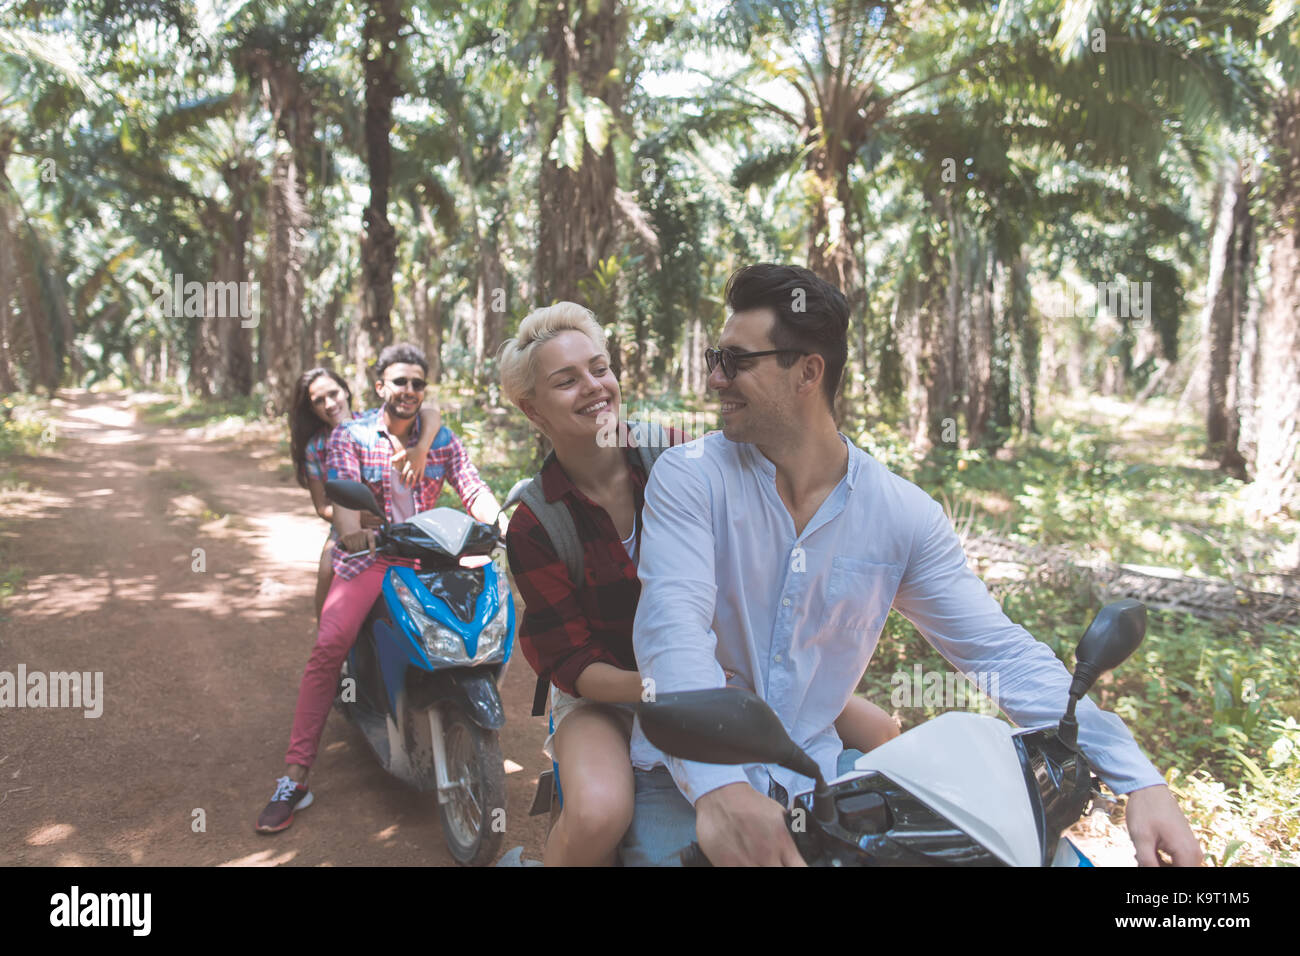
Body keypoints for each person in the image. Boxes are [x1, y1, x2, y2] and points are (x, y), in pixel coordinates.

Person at [622, 263, 1204, 867]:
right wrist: (720, 788)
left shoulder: (902, 514)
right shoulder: (689, 478)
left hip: (813, 779)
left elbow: (998, 651)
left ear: (808, 372)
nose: (715, 378)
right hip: (684, 779)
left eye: (736, 360)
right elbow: (674, 629)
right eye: (717, 357)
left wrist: (1140, 778)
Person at [501, 302, 899, 867]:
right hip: (612, 692)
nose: (593, 387)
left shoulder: (678, 450)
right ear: (532, 409)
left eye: (599, 368)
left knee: (882, 733)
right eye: (566, 381)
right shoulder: (536, 522)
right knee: (598, 812)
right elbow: (569, 659)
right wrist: (666, 688)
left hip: (728, 667)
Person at [256, 343, 502, 833]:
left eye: (417, 383)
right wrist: (352, 530)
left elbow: (471, 487)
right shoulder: (351, 437)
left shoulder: (441, 439)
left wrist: (499, 520)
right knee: (329, 644)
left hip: (433, 555)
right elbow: (343, 499)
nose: (408, 390)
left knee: (483, 624)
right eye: (399, 382)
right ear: (379, 387)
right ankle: (295, 777)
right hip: (370, 558)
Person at [289, 367, 442, 619]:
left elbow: (430, 413)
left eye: (333, 393)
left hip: (403, 523)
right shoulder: (315, 447)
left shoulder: (375, 422)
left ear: (345, 391)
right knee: (328, 570)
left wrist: (422, 448)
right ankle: (330, 638)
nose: (329, 404)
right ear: (311, 409)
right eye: (318, 401)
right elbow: (321, 506)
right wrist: (354, 518)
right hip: (350, 527)